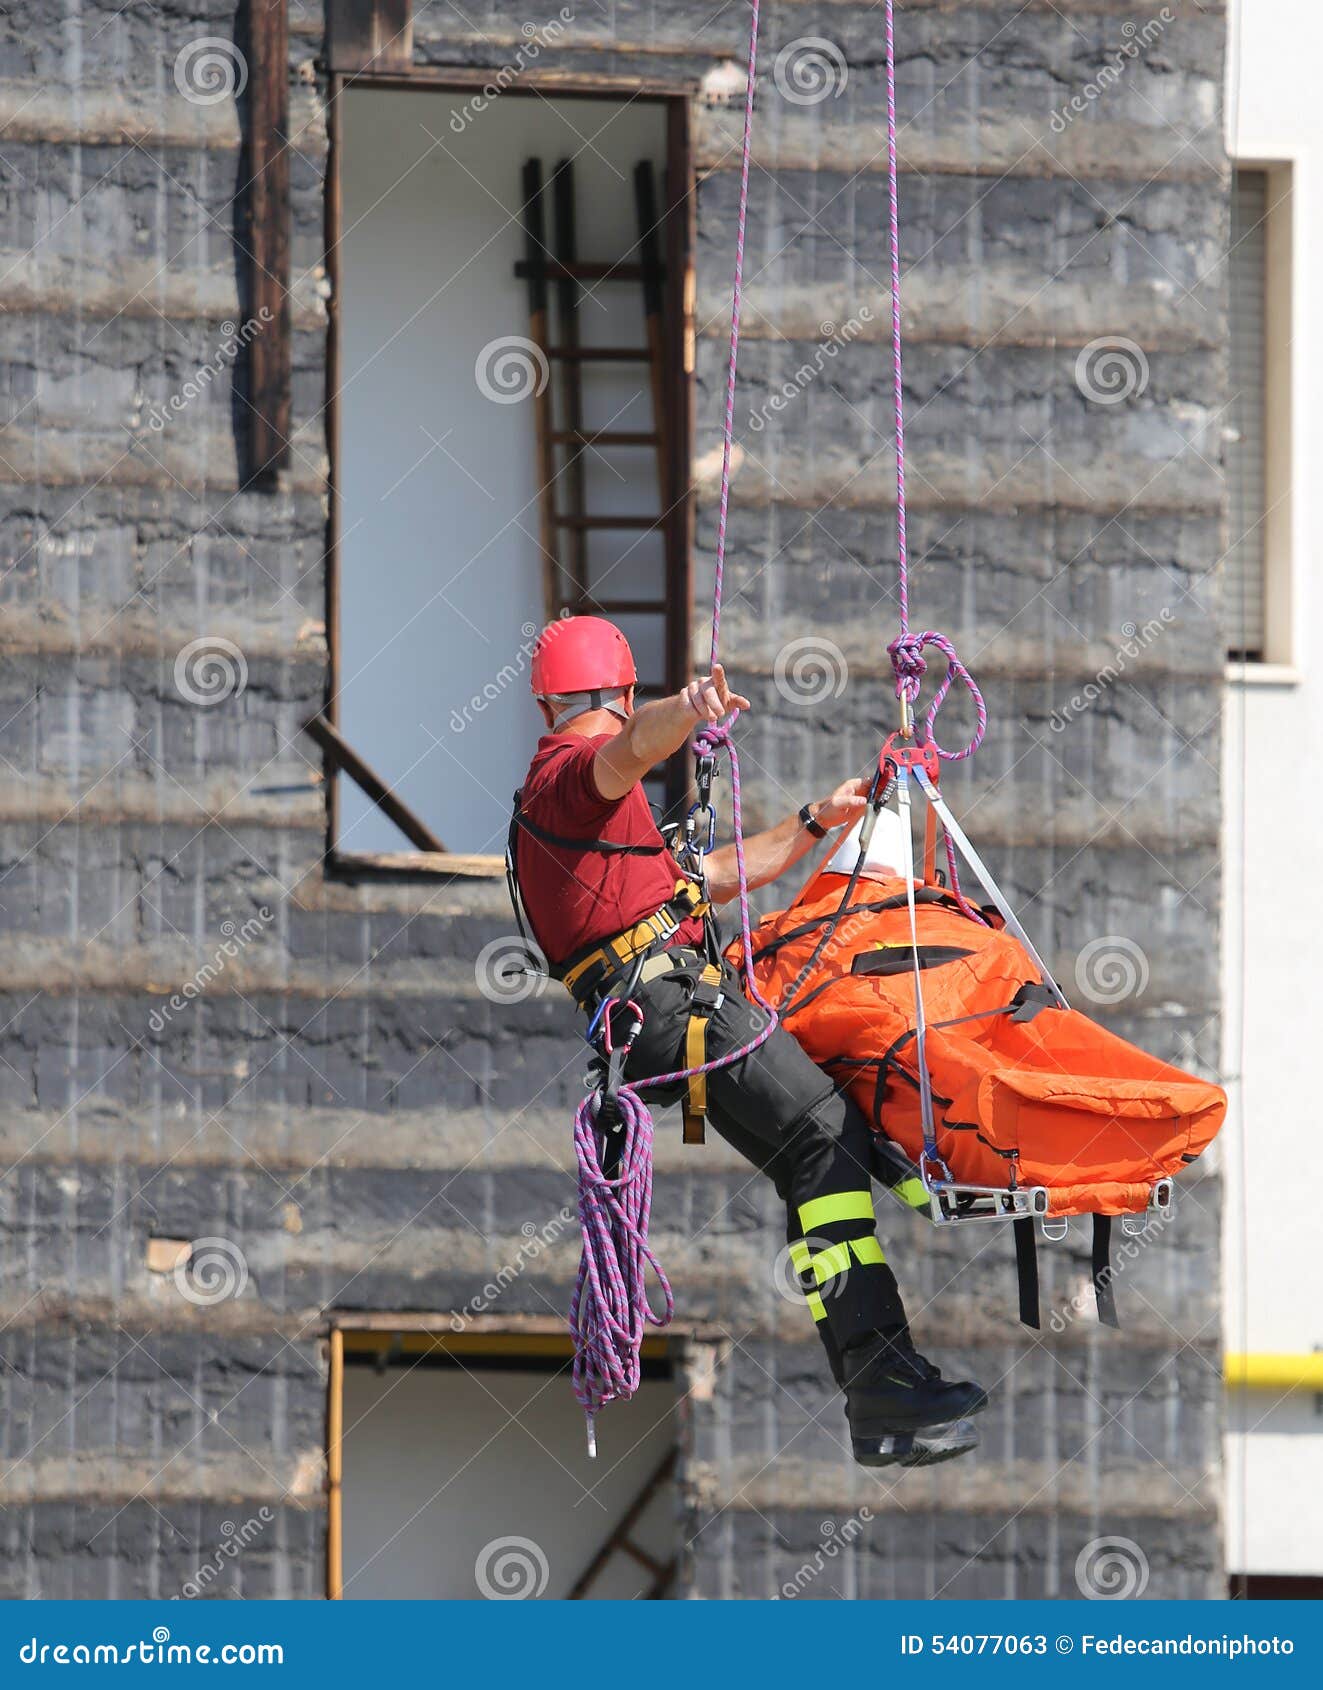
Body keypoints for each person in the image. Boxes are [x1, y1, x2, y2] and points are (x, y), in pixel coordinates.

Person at [509, 615, 988, 1467]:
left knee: (820, 1157)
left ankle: (881, 1393)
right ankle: (882, 1376)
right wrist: (686, 710)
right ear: (618, 694)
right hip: (666, 1003)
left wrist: (816, 820)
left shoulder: (595, 815)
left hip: (662, 1011)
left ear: (547, 697)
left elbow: (712, 874)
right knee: (825, 1135)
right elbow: (622, 754)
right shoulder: (569, 777)